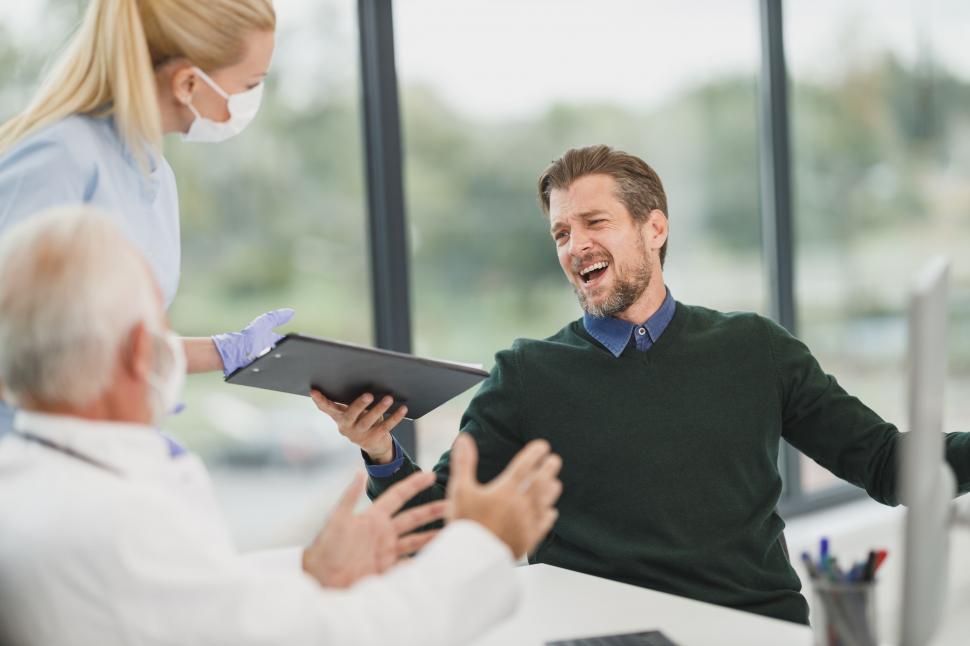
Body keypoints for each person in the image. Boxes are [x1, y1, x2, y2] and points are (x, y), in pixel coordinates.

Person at [313, 144, 970, 626]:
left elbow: (885, 463)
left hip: (755, 627)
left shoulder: (754, 347)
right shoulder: (527, 375)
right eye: (561, 233)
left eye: (595, 223)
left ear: (654, 228)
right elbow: (436, 522)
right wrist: (381, 453)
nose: (574, 246)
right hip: (605, 630)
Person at [0, 206, 563, 646]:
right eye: (160, 323)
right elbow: (338, 638)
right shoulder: (116, 523)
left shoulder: (31, 480)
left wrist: (307, 572)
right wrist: (485, 544)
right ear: (135, 354)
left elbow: (206, 613)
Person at [0, 0, 293, 431]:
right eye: (250, 84)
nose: (252, 100)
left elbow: (114, 344)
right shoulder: (59, 159)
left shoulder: (152, 169)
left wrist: (226, 350)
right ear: (188, 83)